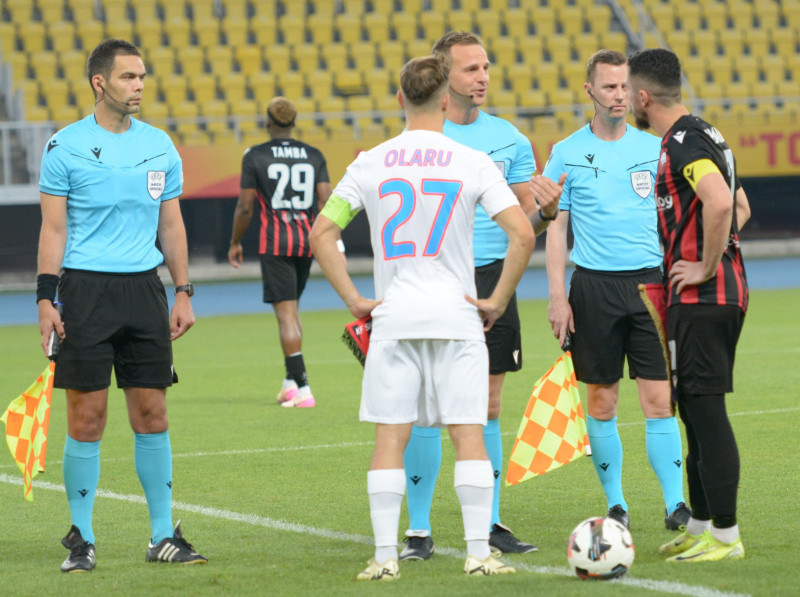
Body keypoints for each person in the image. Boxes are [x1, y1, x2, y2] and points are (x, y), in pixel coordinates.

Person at [309, 56, 535, 579]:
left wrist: (354, 299)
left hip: (394, 319)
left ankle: (386, 557)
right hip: (457, 317)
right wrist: (497, 299)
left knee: (391, 437)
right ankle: (479, 552)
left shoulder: (371, 162)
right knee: (469, 434)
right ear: (445, 102)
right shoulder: (470, 160)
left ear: (398, 99)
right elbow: (522, 233)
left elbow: (321, 233)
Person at [36, 39, 206, 573]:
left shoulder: (160, 146)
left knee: (152, 413)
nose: (139, 86)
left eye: (142, 77)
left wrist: (182, 290)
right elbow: (54, 228)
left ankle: (162, 535)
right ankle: (82, 538)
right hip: (85, 292)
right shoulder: (64, 146)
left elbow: (171, 223)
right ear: (99, 83)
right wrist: (46, 299)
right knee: (86, 417)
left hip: (144, 290)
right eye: (129, 77)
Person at [399, 31, 558, 561]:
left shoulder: (510, 139)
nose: (483, 77)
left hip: (493, 278)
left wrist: (549, 207)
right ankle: (418, 531)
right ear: (444, 77)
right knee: (425, 408)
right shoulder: (423, 136)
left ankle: (489, 523)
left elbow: (522, 214)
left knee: (488, 405)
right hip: (436, 278)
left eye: (485, 67)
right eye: (470, 69)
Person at [537, 49, 690, 531]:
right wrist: (558, 295)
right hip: (593, 289)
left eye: (624, 86)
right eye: (608, 87)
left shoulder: (655, 148)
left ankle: (674, 505)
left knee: (659, 400)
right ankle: (617, 504)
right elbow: (556, 229)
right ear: (590, 91)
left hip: (650, 286)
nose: (619, 95)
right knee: (602, 402)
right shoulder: (564, 152)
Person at [627, 48, 751, 562]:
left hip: (705, 295)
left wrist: (704, 264)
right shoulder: (702, 133)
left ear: (641, 96)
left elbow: (722, 202)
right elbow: (740, 204)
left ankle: (726, 536)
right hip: (707, 293)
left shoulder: (682, 141)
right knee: (693, 415)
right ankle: (701, 524)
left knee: (705, 409)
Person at [228, 97, 335, 408]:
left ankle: (303, 390)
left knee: (286, 316)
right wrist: (332, 242)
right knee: (293, 311)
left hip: (276, 243)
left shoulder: (255, 156)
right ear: (294, 121)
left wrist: (235, 241)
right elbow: (326, 202)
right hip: (307, 242)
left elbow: (246, 206)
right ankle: (289, 384)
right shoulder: (314, 154)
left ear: (268, 123)